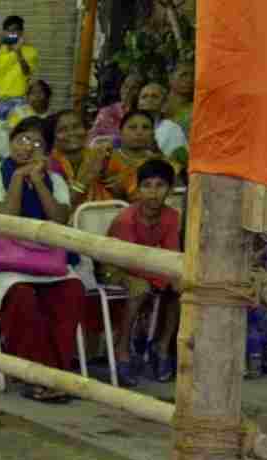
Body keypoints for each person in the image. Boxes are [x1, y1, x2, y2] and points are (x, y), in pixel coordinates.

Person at [0, 115, 82, 403]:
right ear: (11, 142)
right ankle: (34, 375)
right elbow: (5, 220)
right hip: (3, 256)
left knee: (71, 289)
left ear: (47, 151)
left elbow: (59, 218)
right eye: (23, 139)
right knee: (21, 295)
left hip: (46, 257)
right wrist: (18, 178)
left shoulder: (55, 179)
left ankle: (58, 373)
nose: (28, 147)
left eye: (37, 143)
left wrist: (39, 181)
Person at [104, 159, 182, 384]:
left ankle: (162, 346)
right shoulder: (126, 219)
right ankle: (122, 350)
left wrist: (172, 278)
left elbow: (171, 254)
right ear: (138, 189)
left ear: (170, 189)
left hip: (147, 266)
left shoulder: (171, 216)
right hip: (114, 267)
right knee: (140, 288)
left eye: (160, 185)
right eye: (147, 185)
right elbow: (127, 262)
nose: (153, 192)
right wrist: (162, 277)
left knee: (179, 287)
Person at [50, 109, 136, 205]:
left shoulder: (102, 156)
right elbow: (63, 206)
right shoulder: (50, 165)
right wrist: (86, 178)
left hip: (108, 211)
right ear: (53, 136)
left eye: (76, 127)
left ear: (86, 130)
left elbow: (130, 197)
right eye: (62, 130)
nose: (71, 133)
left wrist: (118, 186)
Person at [87, 66, 144, 150]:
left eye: (134, 88)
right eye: (125, 86)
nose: (128, 90)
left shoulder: (145, 113)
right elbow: (91, 140)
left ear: (142, 91)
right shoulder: (106, 112)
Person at [0, 15, 40, 107]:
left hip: (18, 99)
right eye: (8, 31)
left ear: (21, 32)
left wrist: (19, 53)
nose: (11, 33)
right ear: (4, 32)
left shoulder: (31, 51)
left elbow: (27, 73)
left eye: (14, 30)